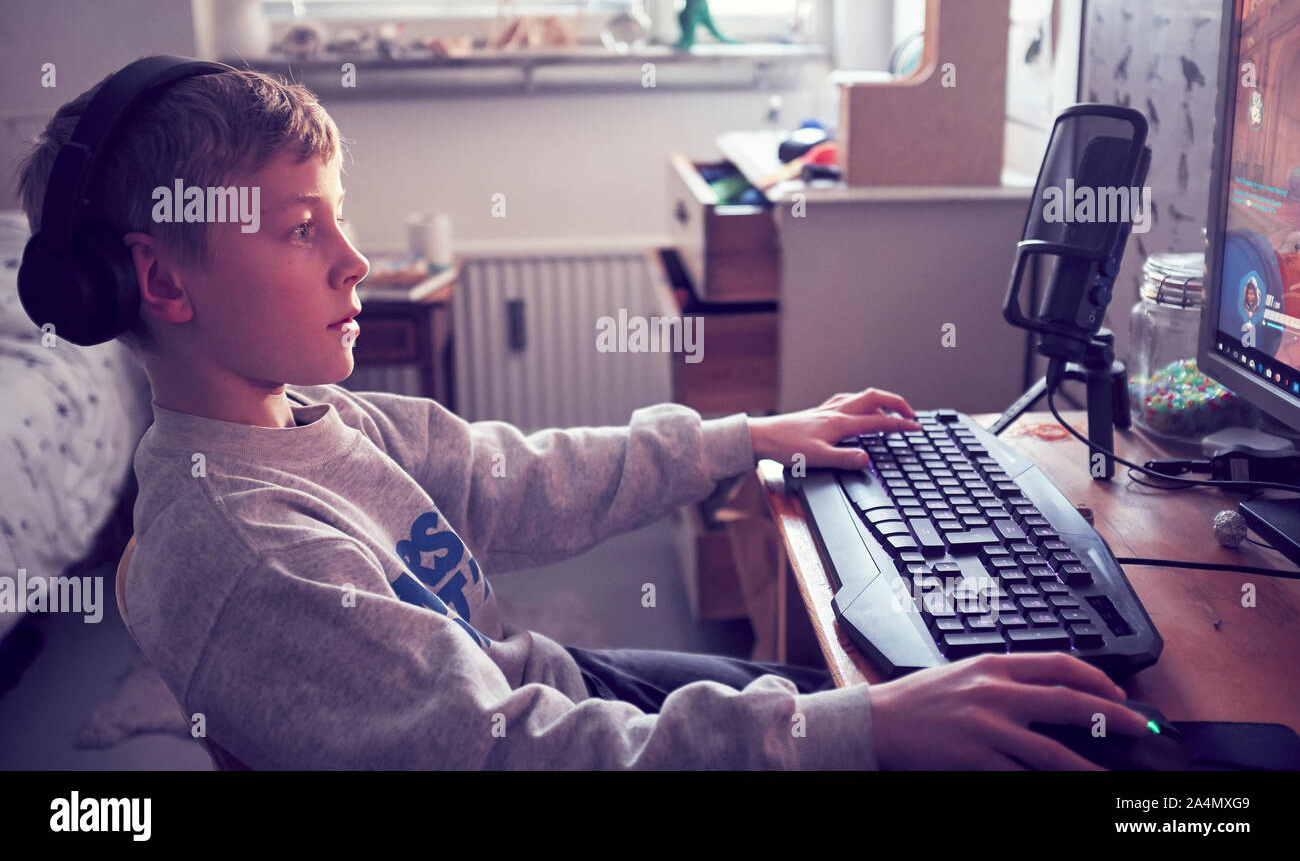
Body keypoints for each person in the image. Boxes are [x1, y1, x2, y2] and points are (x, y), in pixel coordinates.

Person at [15, 58, 1150, 770]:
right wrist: (862, 733)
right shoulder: (244, 559)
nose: (357, 261)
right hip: (528, 733)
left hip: (534, 678)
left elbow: (514, 474)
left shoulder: (304, 416)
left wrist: (744, 437)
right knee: (894, 725)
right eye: (302, 228)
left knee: (905, 702)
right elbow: (503, 753)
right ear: (162, 281)